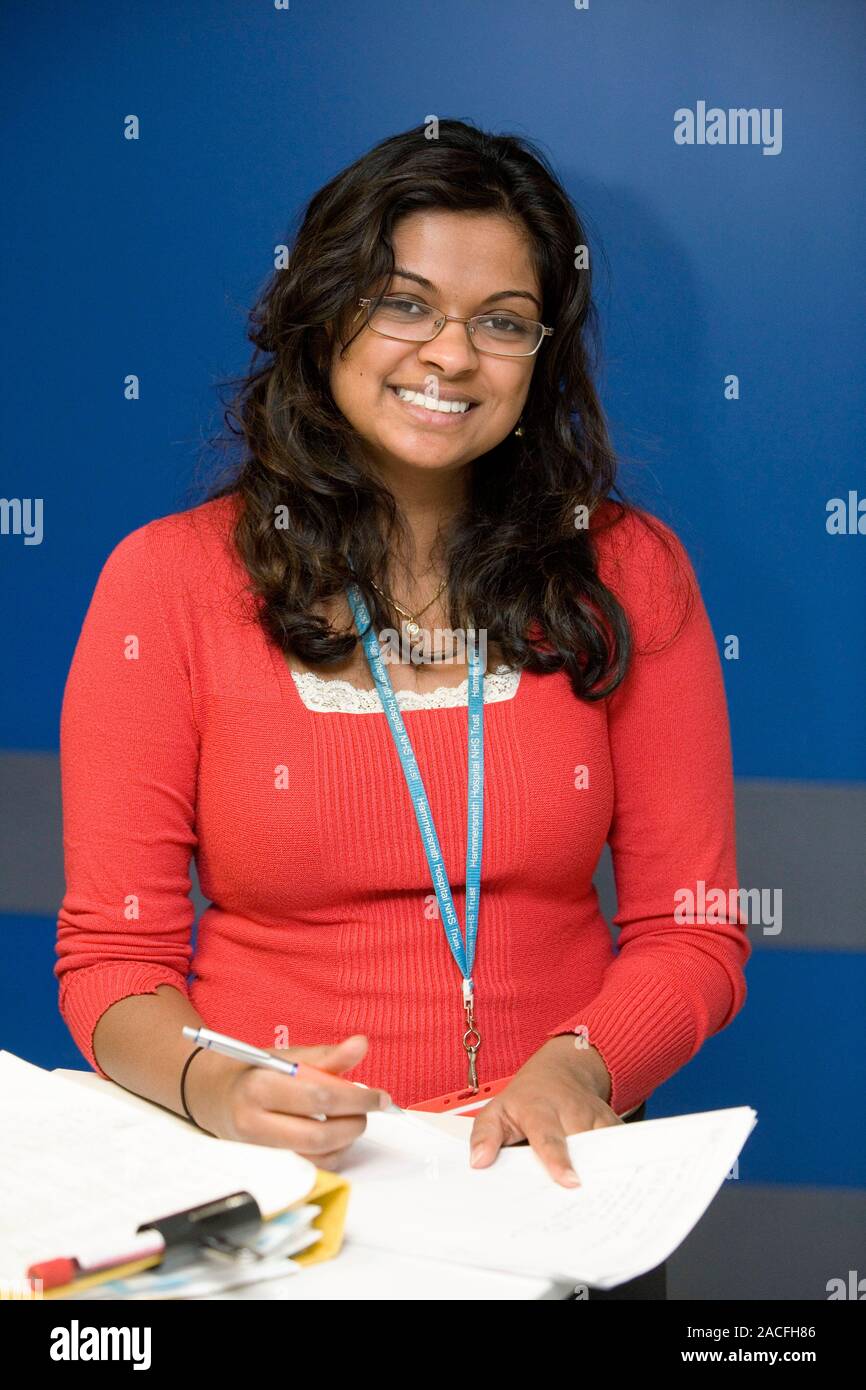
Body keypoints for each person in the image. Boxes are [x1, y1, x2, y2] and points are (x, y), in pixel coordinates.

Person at [55, 120, 749, 1299]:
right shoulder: (166, 584)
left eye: (501, 320)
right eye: (403, 304)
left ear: (541, 352)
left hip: (552, 1190)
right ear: (325, 315)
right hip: (280, 1199)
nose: (450, 355)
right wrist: (221, 1087)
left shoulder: (624, 570)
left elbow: (694, 926)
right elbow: (112, 958)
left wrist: (584, 1068)